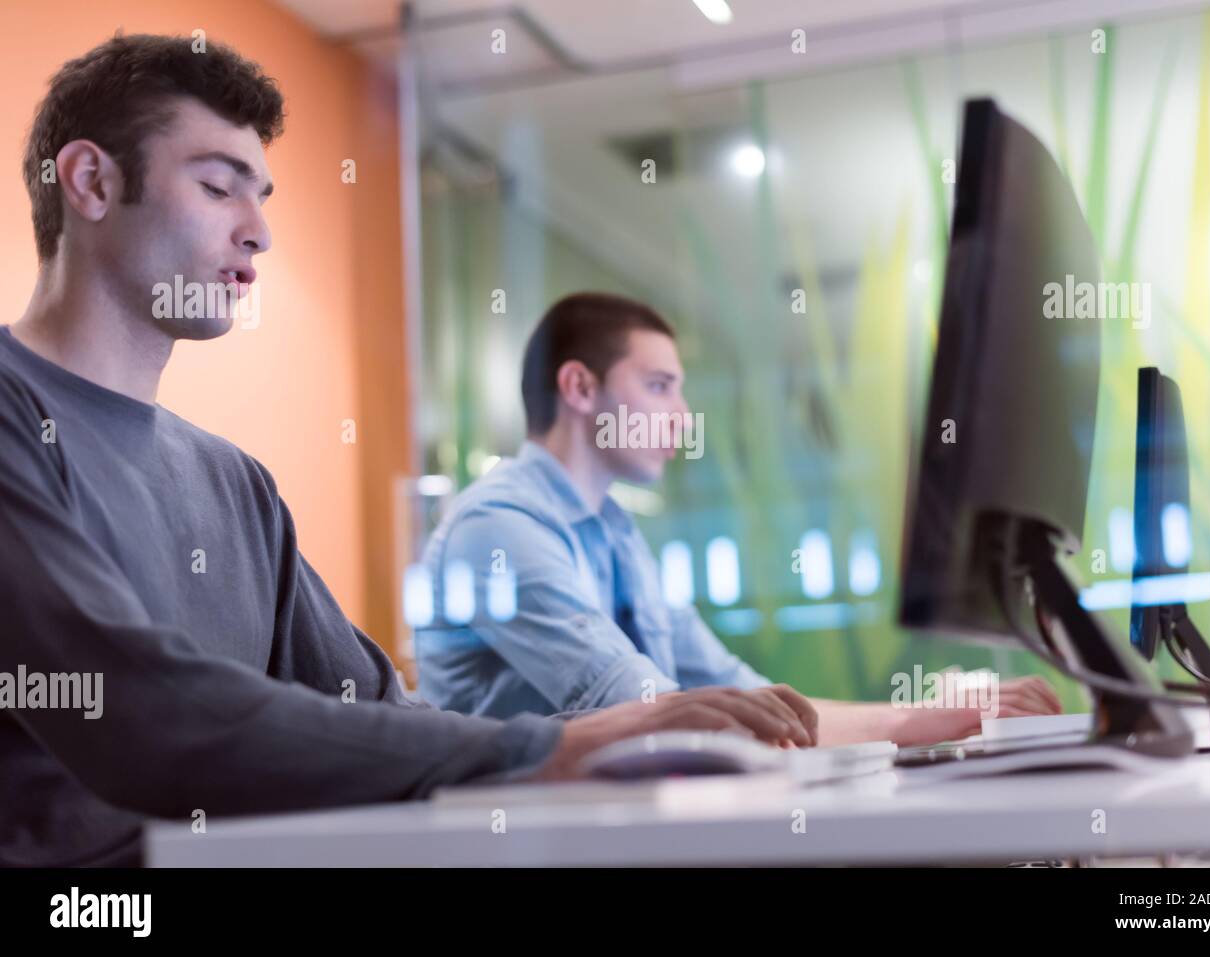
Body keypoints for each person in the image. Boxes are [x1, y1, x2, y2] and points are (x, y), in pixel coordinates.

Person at [0, 34, 817, 867]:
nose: (259, 234)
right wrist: (544, 752)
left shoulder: (233, 482)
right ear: (92, 182)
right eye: (217, 187)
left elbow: (381, 713)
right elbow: (139, 714)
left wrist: (610, 742)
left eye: (263, 197)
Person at [415, 292, 1063, 744]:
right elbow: (656, 711)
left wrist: (919, 714)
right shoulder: (498, 527)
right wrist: (907, 719)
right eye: (660, 386)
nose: (683, 414)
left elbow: (744, 696)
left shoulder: (616, 536)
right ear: (581, 388)